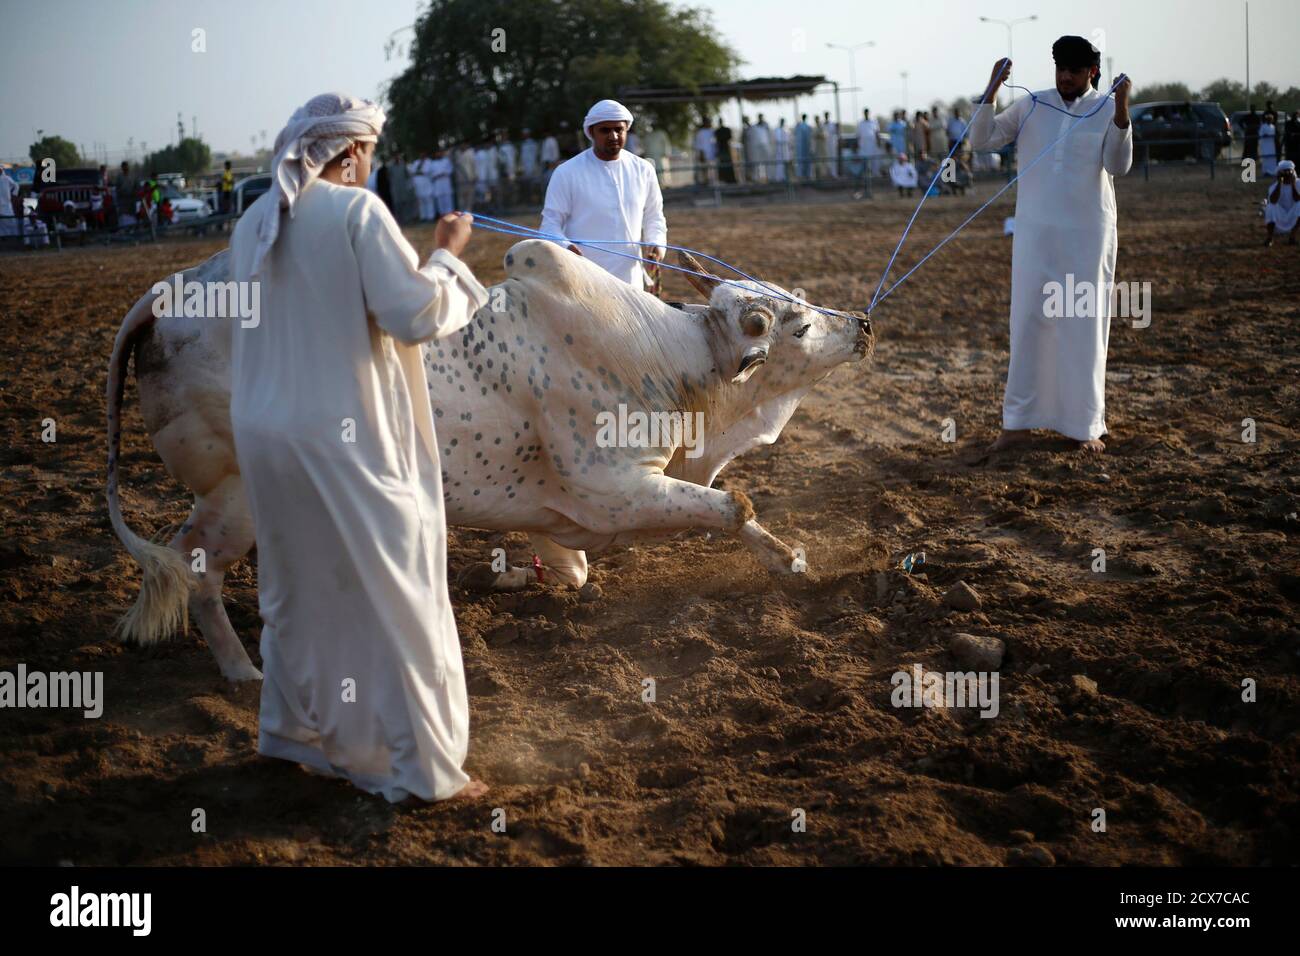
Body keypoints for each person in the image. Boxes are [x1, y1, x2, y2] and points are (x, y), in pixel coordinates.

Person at [228, 92, 490, 804]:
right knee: (397, 593)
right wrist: (446, 257)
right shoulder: (356, 212)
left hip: (262, 430)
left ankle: (288, 735)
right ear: (348, 153)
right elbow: (416, 314)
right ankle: (424, 773)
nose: (371, 165)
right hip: (338, 435)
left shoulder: (255, 220)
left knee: (294, 585)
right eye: (369, 152)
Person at [971, 37, 1133, 455]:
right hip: (1034, 236)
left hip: (1088, 237)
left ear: (1091, 73)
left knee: (1082, 327)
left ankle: (1083, 427)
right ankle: (1017, 425)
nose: (1065, 77)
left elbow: (1118, 165)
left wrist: (1121, 111)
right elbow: (983, 140)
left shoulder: (1105, 109)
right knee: (1028, 324)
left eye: (1074, 71)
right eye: (1060, 68)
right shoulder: (1032, 105)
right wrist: (991, 89)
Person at [540, 98, 666, 290]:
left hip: (631, 283)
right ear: (591, 132)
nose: (614, 136)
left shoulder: (643, 169)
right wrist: (566, 248)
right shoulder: (567, 172)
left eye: (619, 129)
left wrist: (656, 244)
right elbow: (549, 226)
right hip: (583, 282)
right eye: (605, 130)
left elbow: (654, 216)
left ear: (626, 130)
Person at [1264, 159, 1299, 246]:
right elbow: (1273, 200)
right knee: (1270, 206)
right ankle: (1270, 238)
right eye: (1285, 172)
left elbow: (1297, 199)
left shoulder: (1298, 183)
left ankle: (1292, 236)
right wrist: (1280, 183)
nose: (1288, 175)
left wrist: (1293, 184)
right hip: (1280, 216)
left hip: (1293, 215)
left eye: (1289, 172)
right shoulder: (1274, 186)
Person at [857, 108, 882, 177]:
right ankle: (866, 175)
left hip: (873, 144)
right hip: (864, 145)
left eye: (867, 113)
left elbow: (877, 133)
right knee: (865, 160)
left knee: (875, 160)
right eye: (865, 113)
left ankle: (876, 173)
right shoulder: (860, 123)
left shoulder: (874, 122)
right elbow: (858, 135)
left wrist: (878, 143)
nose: (866, 114)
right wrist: (858, 145)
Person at [430, 148, 455, 217]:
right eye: (437, 153)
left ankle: (450, 214)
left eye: (440, 152)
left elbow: (450, 170)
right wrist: (437, 175)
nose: (438, 154)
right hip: (438, 183)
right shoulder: (432, 163)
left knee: (448, 198)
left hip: (446, 182)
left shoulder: (446, 161)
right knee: (440, 200)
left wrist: (444, 173)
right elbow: (431, 174)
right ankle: (442, 214)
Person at [410, 152, 435, 221]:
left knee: (428, 200)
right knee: (421, 201)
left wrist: (419, 172)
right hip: (418, 183)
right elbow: (412, 171)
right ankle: (423, 217)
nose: (422, 155)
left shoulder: (429, 162)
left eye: (423, 154)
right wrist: (419, 172)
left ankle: (431, 216)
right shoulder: (416, 162)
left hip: (426, 182)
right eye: (420, 154)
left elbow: (426, 171)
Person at [454, 144, 476, 212]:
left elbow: (473, 166)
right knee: (461, 199)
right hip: (460, 180)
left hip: (469, 179)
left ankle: (468, 213)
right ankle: (461, 213)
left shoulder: (470, 153)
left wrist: (474, 176)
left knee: (469, 198)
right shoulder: (456, 154)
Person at [693, 120, 716, 184]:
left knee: (711, 169)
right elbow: (698, 144)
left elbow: (714, 143)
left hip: (711, 154)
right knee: (704, 168)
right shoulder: (700, 132)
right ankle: (704, 181)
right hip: (703, 153)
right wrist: (701, 153)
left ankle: (710, 180)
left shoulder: (711, 131)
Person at [715, 118, 736, 183]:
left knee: (727, 163)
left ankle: (729, 178)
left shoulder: (724, 130)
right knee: (723, 163)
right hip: (721, 149)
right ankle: (724, 178)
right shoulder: (718, 131)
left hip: (725, 148)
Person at [1259, 112, 1279, 176]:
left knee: (1272, 157)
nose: (1270, 120)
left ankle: (1273, 171)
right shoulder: (1263, 126)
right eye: (1269, 119)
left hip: (1271, 145)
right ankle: (1266, 171)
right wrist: (1265, 135)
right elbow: (1260, 134)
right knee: (1266, 157)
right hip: (1265, 145)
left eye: (1271, 119)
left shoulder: (1273, 126)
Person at [771, 118, 790, 182]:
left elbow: (787, 139)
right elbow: (777, 139)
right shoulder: (777, 130)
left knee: (785, 163)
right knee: (779, 164)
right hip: (779, 149)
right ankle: (779, 177)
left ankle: (785, 177)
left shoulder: (785, 130)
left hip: (785, 149)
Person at [794, 113, 812, 180]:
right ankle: (800, 175)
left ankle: (806, 175)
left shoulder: (808, 126)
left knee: (807, 162)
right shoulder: (799, 126)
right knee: (800, 161)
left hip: (806, 147)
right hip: (800, 147)